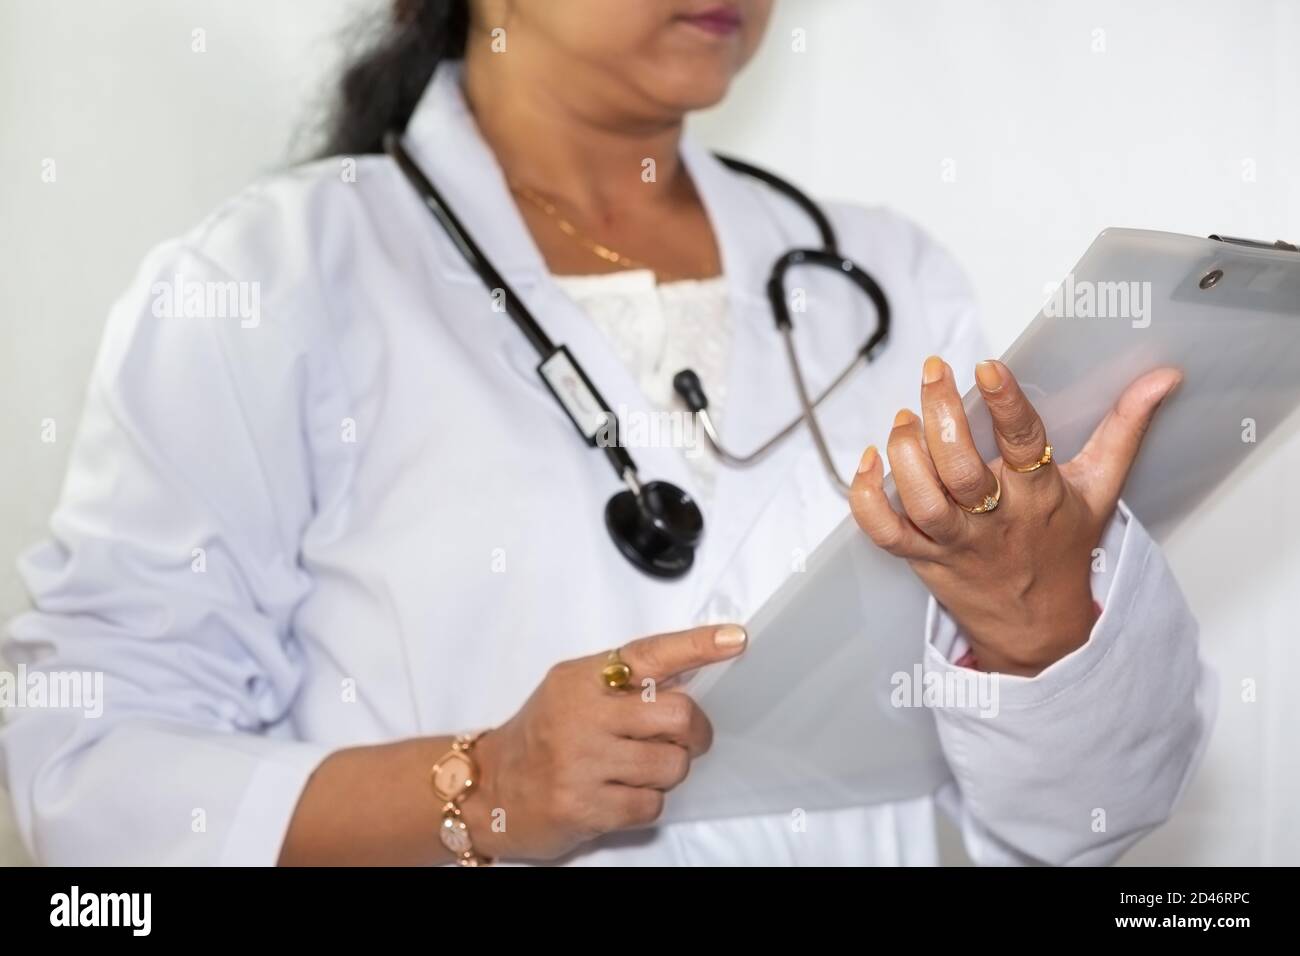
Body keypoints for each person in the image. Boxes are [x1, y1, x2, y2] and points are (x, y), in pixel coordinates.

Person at [0, 0, 1212, 866]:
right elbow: (91, 770)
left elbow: (1088, 818)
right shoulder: (271, 276)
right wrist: (484, 786)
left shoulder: (880, 278)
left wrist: (1038, 626)